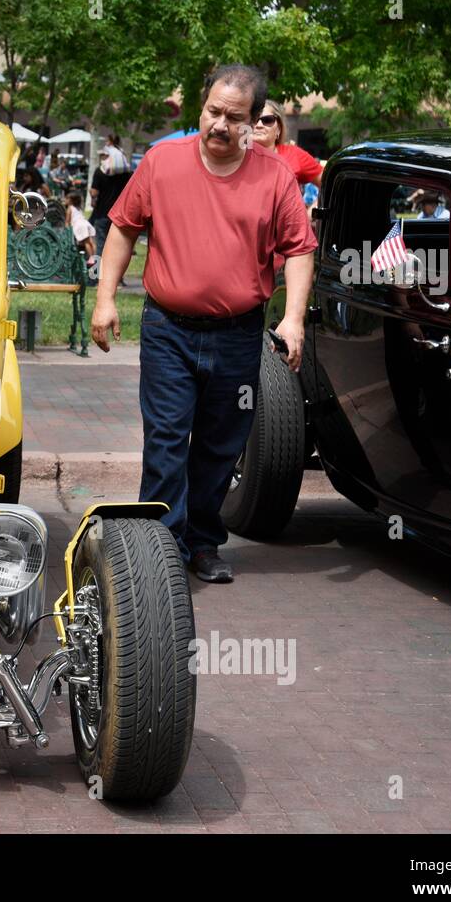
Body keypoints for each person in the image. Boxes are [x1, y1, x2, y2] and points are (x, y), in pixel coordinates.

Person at [91, 63, 317, 583]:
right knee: (167, 440)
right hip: (168, 330)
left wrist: (294, 320)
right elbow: (123, 229)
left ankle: (202, 541)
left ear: (254, 120)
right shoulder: (163, 162)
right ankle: (162, 551)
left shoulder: (275, 177)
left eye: (233, 117)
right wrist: (105, 300)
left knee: (221, 445)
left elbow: (300, 250)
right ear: (202, 106)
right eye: (212, 111)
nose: (219, 124)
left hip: (239, 335)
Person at [251, 100, 322, 189]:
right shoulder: (236, 157)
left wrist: (316, 203)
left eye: (267, 120)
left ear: (278, 129)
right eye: (254, 119)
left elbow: (328, 184)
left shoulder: (294, 154)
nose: (259, 125)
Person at [88, 134, 132, 277]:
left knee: (99, 245)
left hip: (102, 214)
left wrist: (92, 196)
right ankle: (118, 279)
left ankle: (94, 277)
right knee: (118, 247)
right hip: (119, 214)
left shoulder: (100, 172)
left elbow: (94, 192)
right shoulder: (126, 173)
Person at [65, 191, 97, 267]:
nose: (65, 200)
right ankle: (95, 257)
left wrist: (67, 230)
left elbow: (67, 221)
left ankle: (91, 259)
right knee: (91, 242)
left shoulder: (70, 208)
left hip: (79, 225)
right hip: (85, 223)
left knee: (86, 242)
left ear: (71, 201)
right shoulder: (79, 207)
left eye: (67, 199)